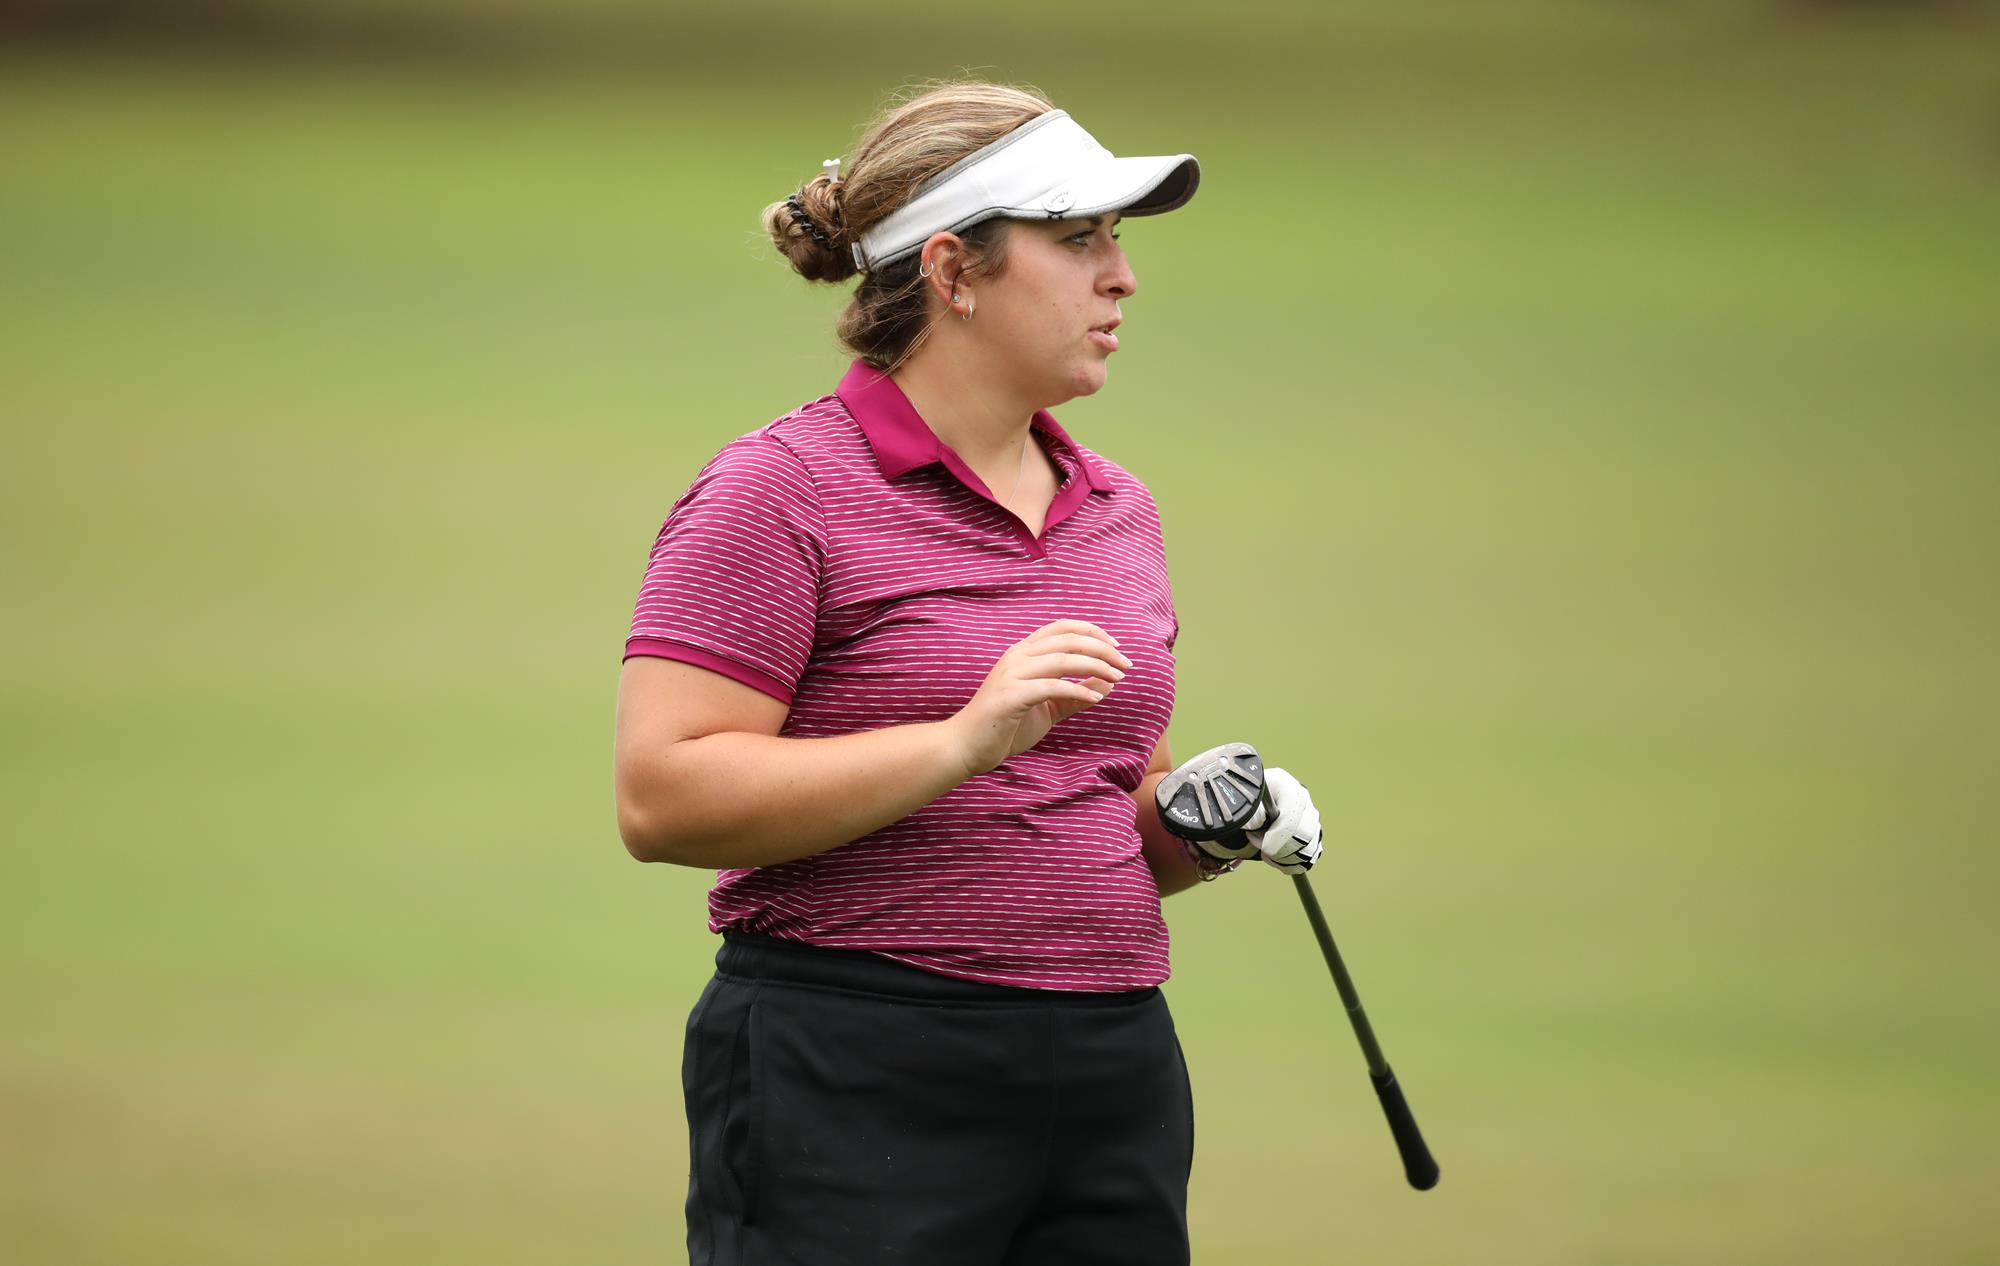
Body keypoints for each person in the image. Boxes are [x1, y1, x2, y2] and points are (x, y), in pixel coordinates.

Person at [613, 81, 1325, 1266]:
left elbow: (1100, 804)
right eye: (1078, 239)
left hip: (1110, 1067)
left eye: (1118, 240)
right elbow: (661, 795)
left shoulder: (1116, 510)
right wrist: (956, 741)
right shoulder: (775, 492)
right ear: (952, 271)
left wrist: (1202, 824)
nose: (1121, 277)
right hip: (854, 1064)